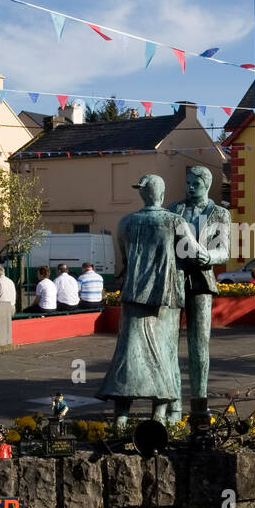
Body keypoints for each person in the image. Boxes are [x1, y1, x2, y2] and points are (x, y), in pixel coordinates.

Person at [98, 174, 199, 426]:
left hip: (134, 296)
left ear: (143, 193)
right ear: (162, 194)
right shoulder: (176, 222)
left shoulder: (126, 222)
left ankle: (121, 416)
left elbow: (125, 258)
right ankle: (159, 415)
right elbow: (194, 254)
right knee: (163, 355)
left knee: (127, 353)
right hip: (165, 299)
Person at [168, 165, 232, 429]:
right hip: (174, 281)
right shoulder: (175, 210)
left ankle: (199, 403)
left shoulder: (219, 213)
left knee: (199, 345)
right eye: (188, 182)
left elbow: (224, 251)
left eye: (195, 183)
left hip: (202, 281)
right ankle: (171, 405)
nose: (189, 187)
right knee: (169, 344)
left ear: (206, 184)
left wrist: (209, 256)